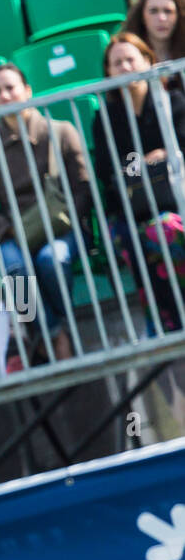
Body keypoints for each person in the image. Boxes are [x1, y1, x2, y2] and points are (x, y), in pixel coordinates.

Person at [0, 63, 92, 367]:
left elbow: (83, 188)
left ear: (27, 90)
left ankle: (48, 332)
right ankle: (55, 332)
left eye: (10, 87)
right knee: (14, 268)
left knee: (52, 261)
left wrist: (62, 220)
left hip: (62, 227)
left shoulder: (62, 131)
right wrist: (11, 231)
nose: (4, 95)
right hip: (16, 231)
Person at [91, 33, 185, 334]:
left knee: (166, 230)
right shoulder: (105, 117)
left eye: (131, 58)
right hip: (131, 212)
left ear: (148, 61)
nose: (125, 66)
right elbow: (108, 173)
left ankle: (168, 323)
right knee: (136, 240)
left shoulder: (173, 103)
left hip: (177, 202)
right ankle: (165, 326)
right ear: (108, 73)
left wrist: (141, 164)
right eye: (117, 63)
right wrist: (152, 161)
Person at [124, 0, 185, 68]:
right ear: (142, 16)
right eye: (153, 11)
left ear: (179, 15)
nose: (161, 18)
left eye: (168, 11)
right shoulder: (127, 53)